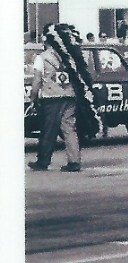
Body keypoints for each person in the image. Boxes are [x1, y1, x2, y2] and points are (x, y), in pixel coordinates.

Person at [30, 23, 96, 173]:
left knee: (49, 130)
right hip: (70, 96)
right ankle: (74, 162)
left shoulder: (42, 58)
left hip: (51, 97)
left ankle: (43, 161)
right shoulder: (68, 56)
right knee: (69, 128)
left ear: (46, 41)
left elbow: (37, 81)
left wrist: (33, 97)